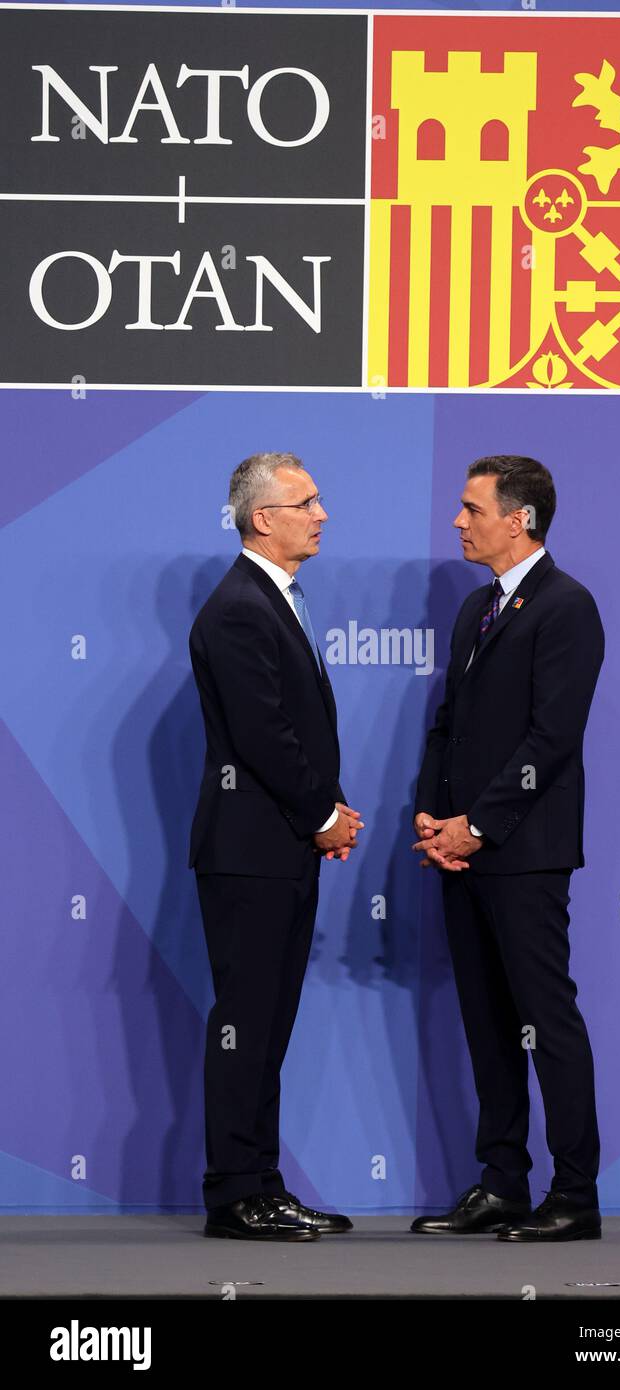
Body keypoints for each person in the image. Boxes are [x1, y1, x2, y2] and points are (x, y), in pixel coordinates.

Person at [410, 455, 605, 1242]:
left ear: (516, 519)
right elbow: (449, 723)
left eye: (471, 508)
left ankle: (576, 1194)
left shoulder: (567, 608)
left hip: (524, 852)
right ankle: (501, 1183)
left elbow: (551, 738)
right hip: (462, 850)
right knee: (487, 1022)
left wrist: (478, 824)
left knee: (544, 1018)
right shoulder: (474, 611)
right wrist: (432, 815)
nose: (458, 521)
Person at [188, 451, 363, 1241]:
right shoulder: (237, 609)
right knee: (246, 1025)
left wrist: (323, 812)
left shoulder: (272, 600)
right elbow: (264, 734)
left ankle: (262, 1183)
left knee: (268, 1026)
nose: (322, 514)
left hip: (276, 843)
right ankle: (234, 1194)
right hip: (250, 848)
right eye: (308, 502)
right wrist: (322, 813)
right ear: (265, 518)